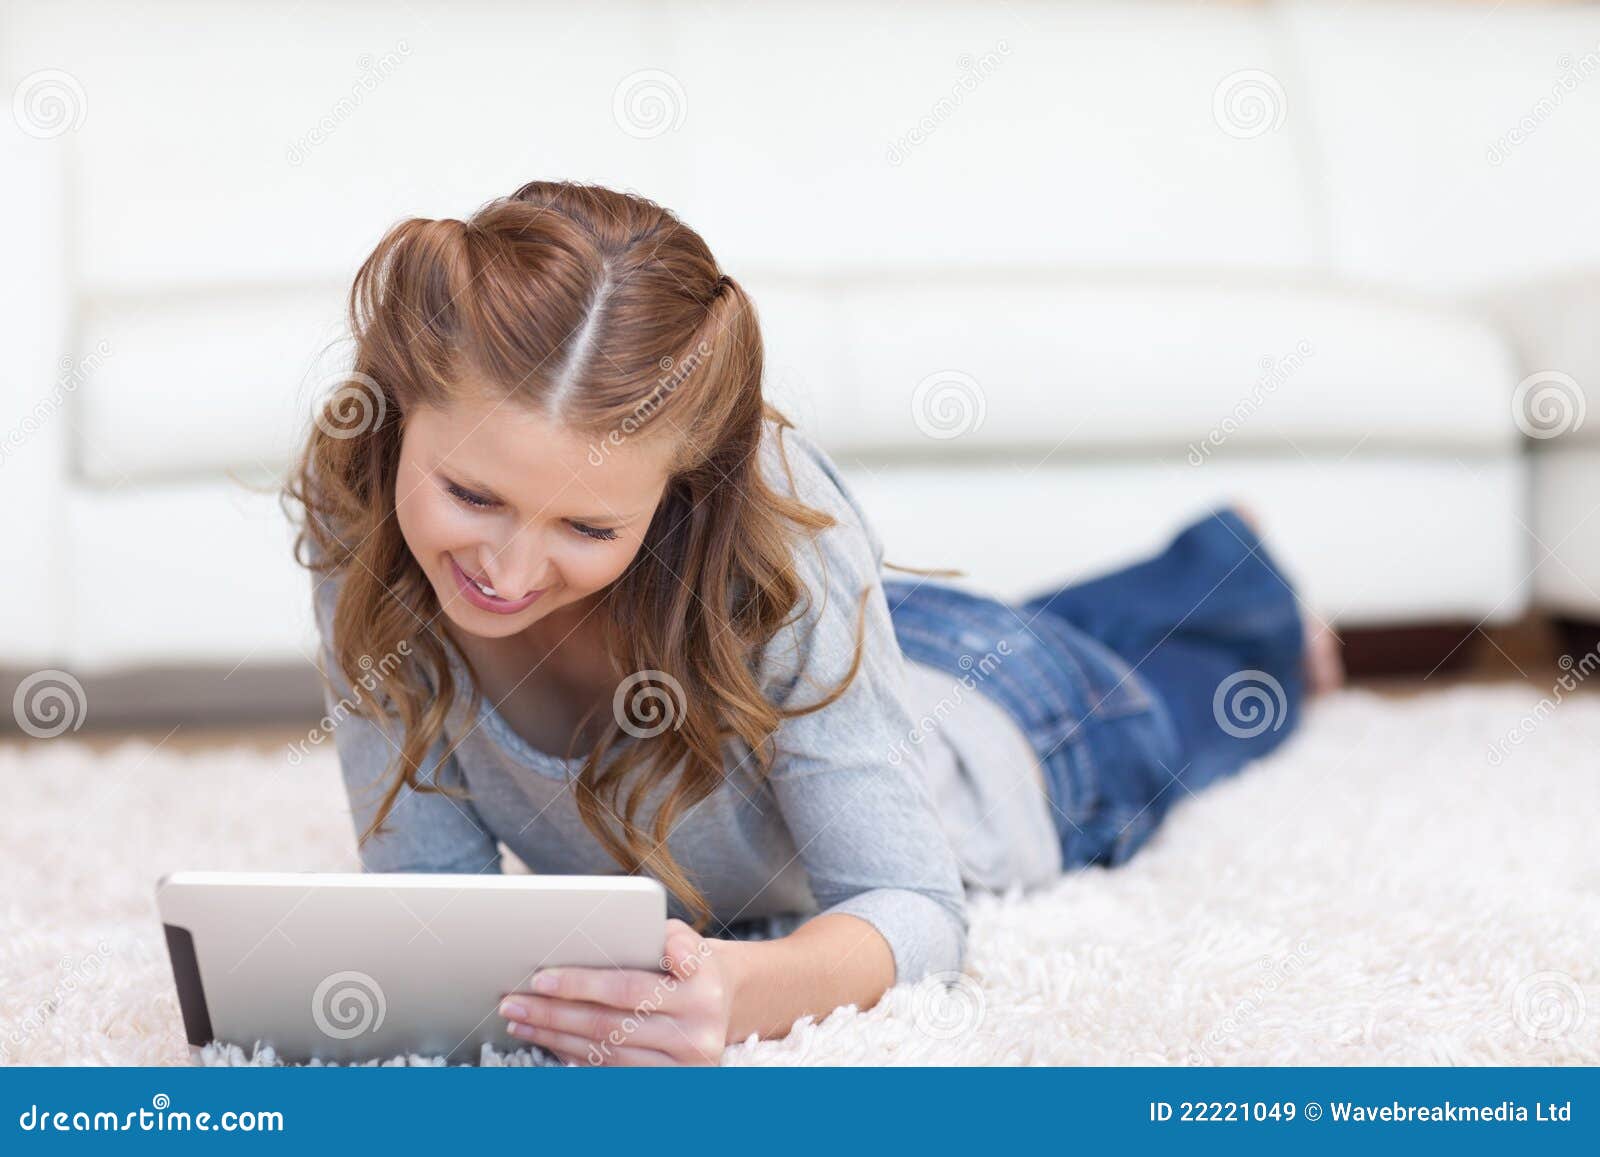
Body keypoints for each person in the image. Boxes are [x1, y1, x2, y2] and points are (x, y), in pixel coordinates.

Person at [285, 179, 1342, 1067]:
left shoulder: (783, 548)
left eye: (588, 523)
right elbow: (435, 909)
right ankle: (1208, 561)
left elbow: (916, 907)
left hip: (1020, 742)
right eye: (471, 496)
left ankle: (1244, 582)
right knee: (987, 632)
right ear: (395, 416)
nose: (505, 572)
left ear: (681, 494)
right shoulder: (367, 514)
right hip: (865, 658)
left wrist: (750, 987)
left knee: (1175, 702)